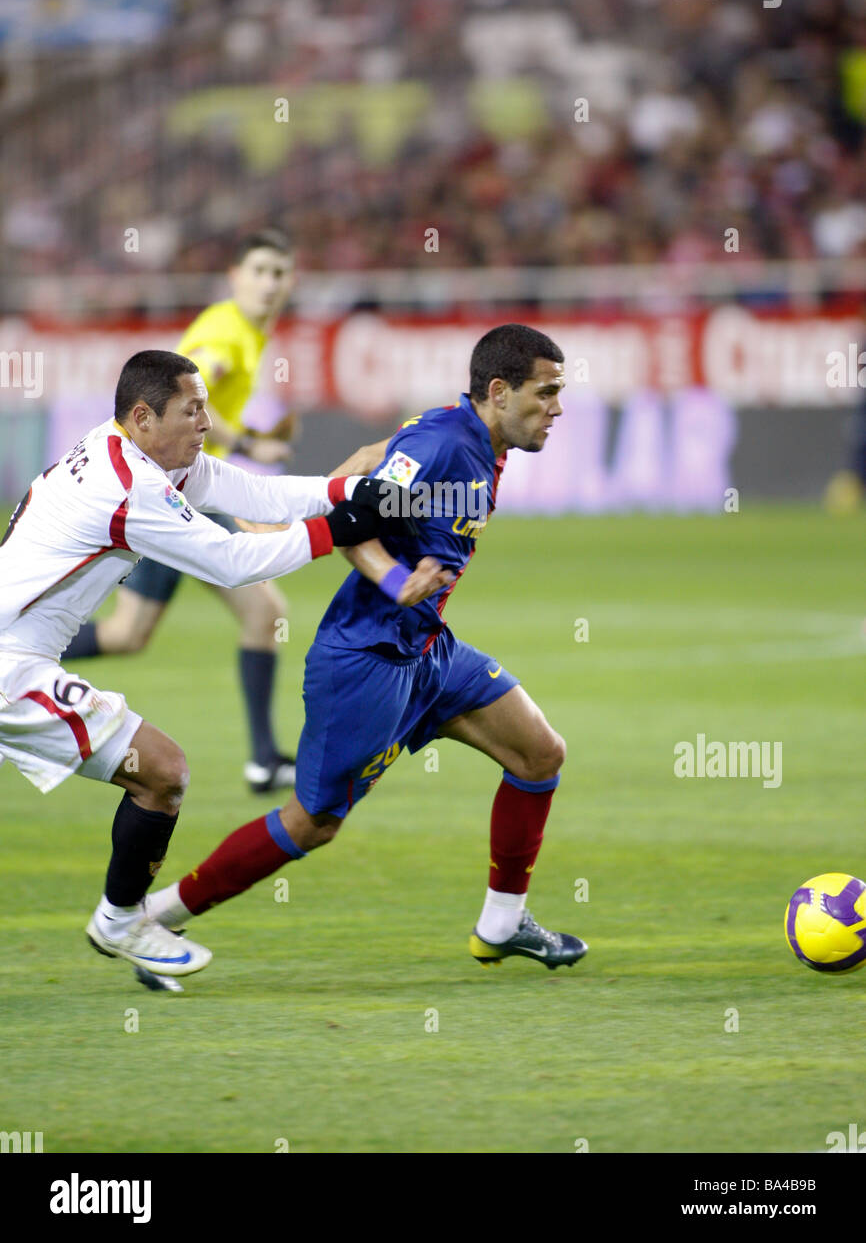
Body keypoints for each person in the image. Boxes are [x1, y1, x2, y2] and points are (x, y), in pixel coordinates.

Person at [148, 325, 588, 972]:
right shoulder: (442, 444)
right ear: (499, 391)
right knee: (313, 822)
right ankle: (157, 917)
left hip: (427, 650)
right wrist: (393, 580)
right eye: (546, 393)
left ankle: (502, 924)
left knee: (539, 753)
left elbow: (366, 458)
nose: (556, 408)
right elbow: (357, 521)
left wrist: (346, 488)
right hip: (367, 658)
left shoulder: (473, 437)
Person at [0, 350, 450, 981]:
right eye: (193, 410)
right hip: (10, 668)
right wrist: (339, 529)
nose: (207, 422)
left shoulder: (137, 451)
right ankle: (121, 920)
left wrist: (346, 493)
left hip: (21, 652)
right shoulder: (128, 487)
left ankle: (121, 918)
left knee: (158, 771)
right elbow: (230, 561)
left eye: (206, 406)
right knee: (161, 771)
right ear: (143, 417)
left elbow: (255, 492)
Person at [62, 230, 352, 794]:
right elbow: (198, 393)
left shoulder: (244, 328)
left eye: (279, 273)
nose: (270, 283)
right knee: (253, 611)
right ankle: (264, 759)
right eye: (260, 271)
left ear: (290, 283)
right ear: (235, 278)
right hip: (170, 496)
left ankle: (264, 759)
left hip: (184, 490)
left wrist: (249, 440)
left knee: (135, 633)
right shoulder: (227, 331)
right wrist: (251, 444)